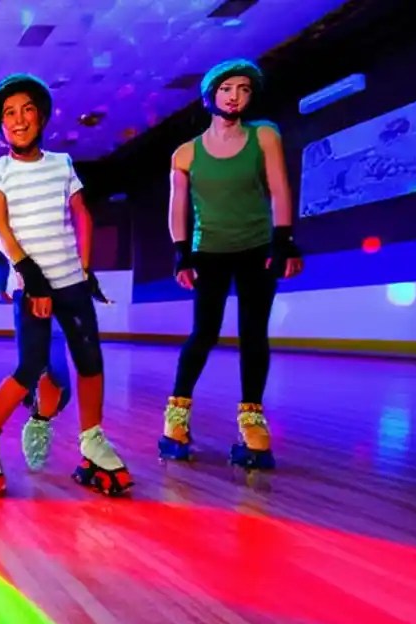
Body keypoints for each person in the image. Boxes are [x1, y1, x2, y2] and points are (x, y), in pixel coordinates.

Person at [0, 73, 131, 498]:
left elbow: (82, 214)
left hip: (72, 283)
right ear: (1, 127)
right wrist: (27, 273)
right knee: (30, 367)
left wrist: (86, 269)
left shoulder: (62, 164)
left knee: (90, 361)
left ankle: (92, 439)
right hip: (34, 287)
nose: (19, 119)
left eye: (27, 110)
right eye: (9, 114)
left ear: (42, 117)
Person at [158, 59, 303, 470]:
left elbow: (279, 188)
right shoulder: (186, 153)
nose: (235, 95)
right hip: (210, 252)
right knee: (203, 333)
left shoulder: (265, 136)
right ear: (210, 95)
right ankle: (176, 417)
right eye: (226, 88)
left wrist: (284, 242)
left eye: (243, 89)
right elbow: (178, 207)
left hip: (258, 247)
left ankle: (252, 421)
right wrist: (182, 253)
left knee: (254, 333)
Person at [0, 251, 73, 474]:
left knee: (60, 382)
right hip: (29, 294)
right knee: (34, 368)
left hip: (62, 294)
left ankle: (39, 419)